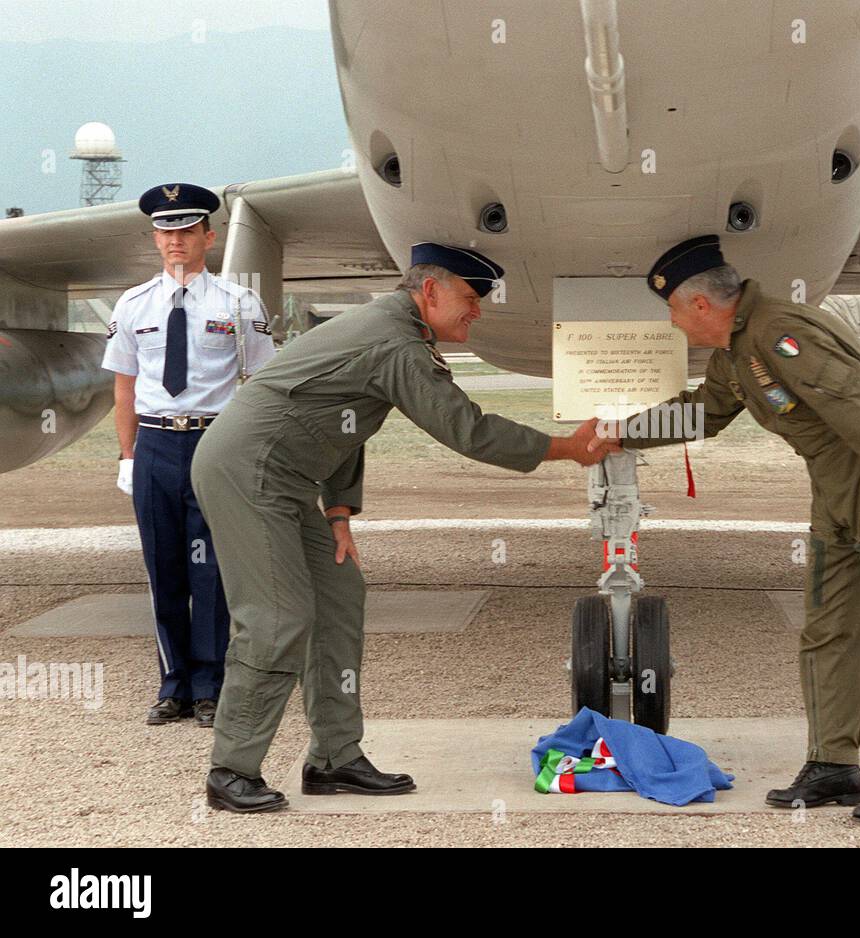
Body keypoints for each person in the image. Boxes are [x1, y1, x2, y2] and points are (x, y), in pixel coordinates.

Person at [192, 242, 620, 813]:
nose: (478, 311)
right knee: (277, 617)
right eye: (471, 298)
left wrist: (339, 511)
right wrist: (566, 447)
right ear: (432, 291)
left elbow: (342, 419)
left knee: (339, 596)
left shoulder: (390, 331)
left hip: (288, 477)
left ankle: (333, 758)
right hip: (249, 472)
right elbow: (465, 428)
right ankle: (231, 770)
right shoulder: (395, 340)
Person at [598, 235, 860, 824]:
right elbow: (705, 413)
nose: (672, 324)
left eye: (672, 310)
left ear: (700, 306)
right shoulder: (736, 352)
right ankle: (833, 764)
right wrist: (620, 431)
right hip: (837, 480)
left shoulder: (777, 333)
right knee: (827, 625)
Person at [101, 183, 275, 728]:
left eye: (186, 230)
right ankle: (171, 684)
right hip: (155, 444)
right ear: (154, 238)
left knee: (213, 570)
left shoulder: (240, 303)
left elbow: (264, 382)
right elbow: (124, 389)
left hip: (215, 442)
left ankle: (209, 685)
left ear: (208, 236)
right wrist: (128, 455)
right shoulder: (131, 305)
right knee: (164, 568)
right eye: (165, 230)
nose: (175, 239)